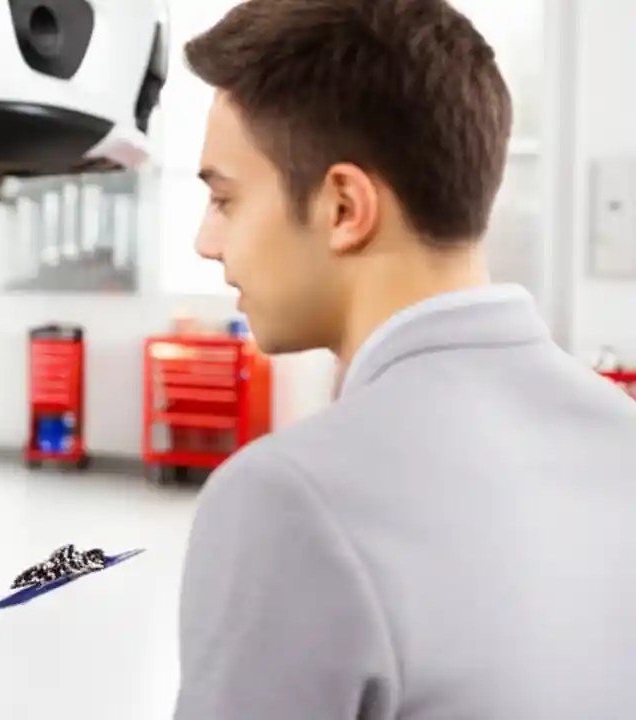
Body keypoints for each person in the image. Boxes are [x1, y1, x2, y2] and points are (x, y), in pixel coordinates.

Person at [175, 1, 636, 718]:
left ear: (344, 208)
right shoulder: (622, 433)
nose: (207, 242)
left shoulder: (288, 497)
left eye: (225, 200)